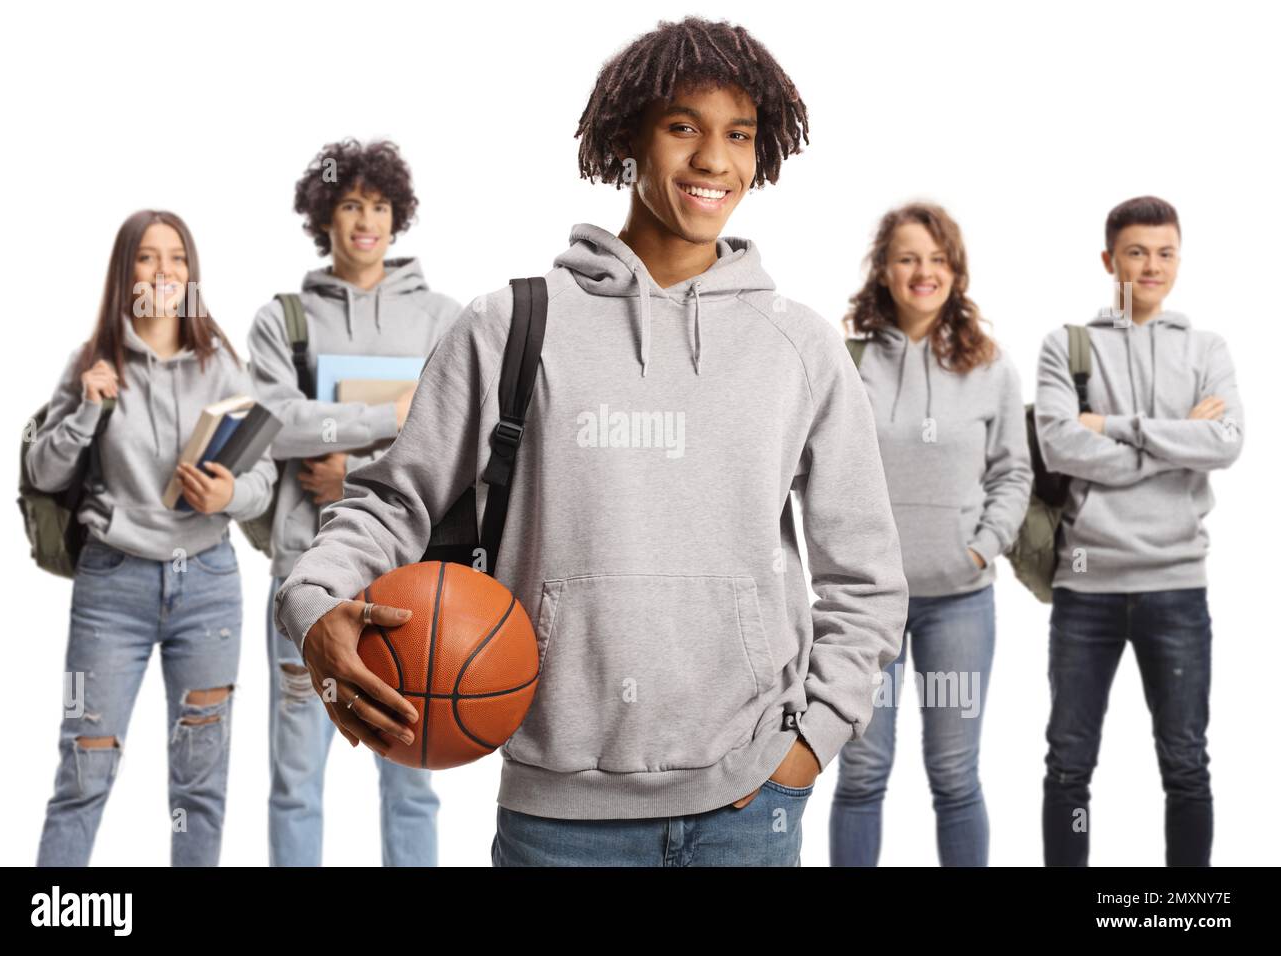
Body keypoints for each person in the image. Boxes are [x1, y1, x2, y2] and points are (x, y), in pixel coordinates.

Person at [274, 16, 908, 868]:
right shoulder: (511, 324)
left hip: (750, 802)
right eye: (684, 127)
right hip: (557, 817)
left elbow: (864, 576)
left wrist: (811, 744)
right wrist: (313, 602)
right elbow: (395, 502)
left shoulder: (801, 346)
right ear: (627, 138)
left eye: (739, 136)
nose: (714, 160)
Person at [32, 210, 276, 866]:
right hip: (113, 588)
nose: (164, 271)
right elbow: (44, 469)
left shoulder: (221, 363)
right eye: (147, 257)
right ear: (125, 272)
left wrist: (229, 495)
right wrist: (87, 410)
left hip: (210, 589)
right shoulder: (91, 363)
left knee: (200, 784)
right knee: (83, 773)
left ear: (191, 272)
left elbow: (265, 479)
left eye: (177, 258)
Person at [247, 139, 461, 867]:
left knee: (411, 774)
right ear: (324, 216)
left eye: (378, 206)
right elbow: (271, 425)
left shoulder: (443, 318)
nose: (365, 221)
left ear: (397, 217)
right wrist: (387, 421)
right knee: (296, 775)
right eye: (349, 204)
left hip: (411, 580)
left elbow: (456, 442)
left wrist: (353, 478)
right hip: (305, 575)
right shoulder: (285, 319)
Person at [1034, 195, 1244, 866]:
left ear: (1178, 259)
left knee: (1186, 765)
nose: (1151, 266)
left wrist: (1116, 427)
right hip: (1085, 586)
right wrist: (1177, 437)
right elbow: (1061, 446)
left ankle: (1184, 909)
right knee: (1069, 765)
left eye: (1165, 252)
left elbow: (1228, 442)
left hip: (1176, 584)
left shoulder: (1206, 347)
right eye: (1136, 252)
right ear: (1109, 260)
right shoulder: (1068, 345)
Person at [831, 202, 1032, 866]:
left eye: (938, 259)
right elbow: (819, 472)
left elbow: (1012, 471)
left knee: (955, 777)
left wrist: (982, 545)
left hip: (960, 602)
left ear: (956, 271)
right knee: (861, 775)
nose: (925, 272)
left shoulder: (992, 368)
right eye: (909, 257)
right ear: (884, 270)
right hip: (868, 608)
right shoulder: (848, 360)